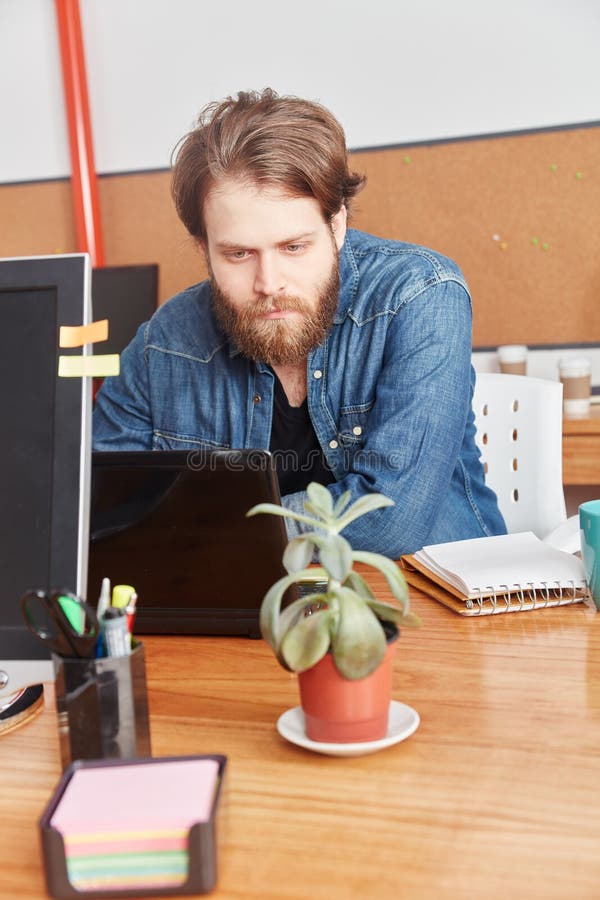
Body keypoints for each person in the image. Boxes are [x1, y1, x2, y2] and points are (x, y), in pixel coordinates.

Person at [93, 88, 506, 558]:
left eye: (293, 247)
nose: (269, 283)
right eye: (238, 254)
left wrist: (206, 527)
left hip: (436, 607)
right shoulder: (163, 344)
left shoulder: (421, 296)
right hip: (249, 612)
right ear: (203, 249)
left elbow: (392, 521)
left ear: (337, 225)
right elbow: (94, 510)